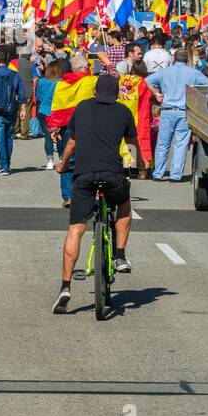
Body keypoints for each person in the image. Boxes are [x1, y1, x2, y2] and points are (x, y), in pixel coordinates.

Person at [52, 75, 139, 313]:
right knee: (124, 204)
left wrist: (62, 164)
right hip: (112, 174)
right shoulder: (123, 112)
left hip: (84, 175)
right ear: (117, 94)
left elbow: (72, 143)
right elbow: (131, 142)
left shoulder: (82, 108)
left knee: (76, 229)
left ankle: (65, 287)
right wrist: (134, 165)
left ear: (94, 92)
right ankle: (120, 255)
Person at [145, 49, 208, 182]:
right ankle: (176, 175)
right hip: (184, 111)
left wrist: (156, 93)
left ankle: (158, 173)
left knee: (163, 143)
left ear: (174, 59)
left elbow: (147, 81)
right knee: (181, 144)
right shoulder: (194, 72)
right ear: (188, 60)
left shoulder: (164, 72)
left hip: (168, 110)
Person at [0, 44, 28, 177]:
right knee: (9, 137)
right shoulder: (15, 74)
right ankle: (7, 163)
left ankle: (4, 165)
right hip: (12, 109)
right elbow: (21, 92)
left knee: (0, 138)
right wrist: (23, 107)